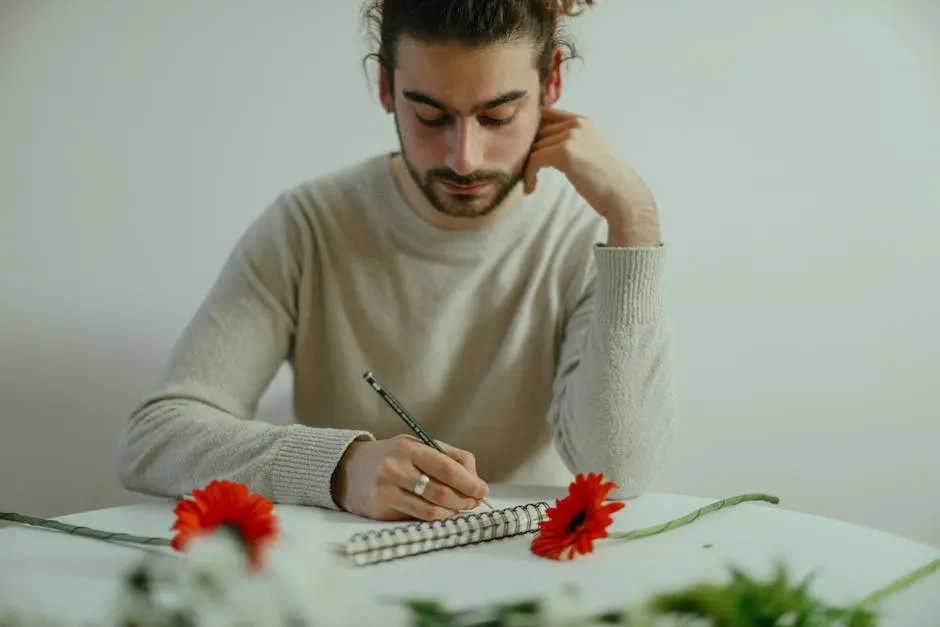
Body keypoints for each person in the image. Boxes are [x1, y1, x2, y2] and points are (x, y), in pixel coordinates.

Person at [115, 0, 676, 523]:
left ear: (551, 80)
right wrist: (338, 467)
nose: (464, 159)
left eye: (498, 116)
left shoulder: (586, 238)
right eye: (431, 117)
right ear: (385, 84)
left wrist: (634, 219)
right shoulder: (308, 226)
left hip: (525, 560)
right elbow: (156, 438)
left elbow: (618, 475)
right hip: (343, 575)